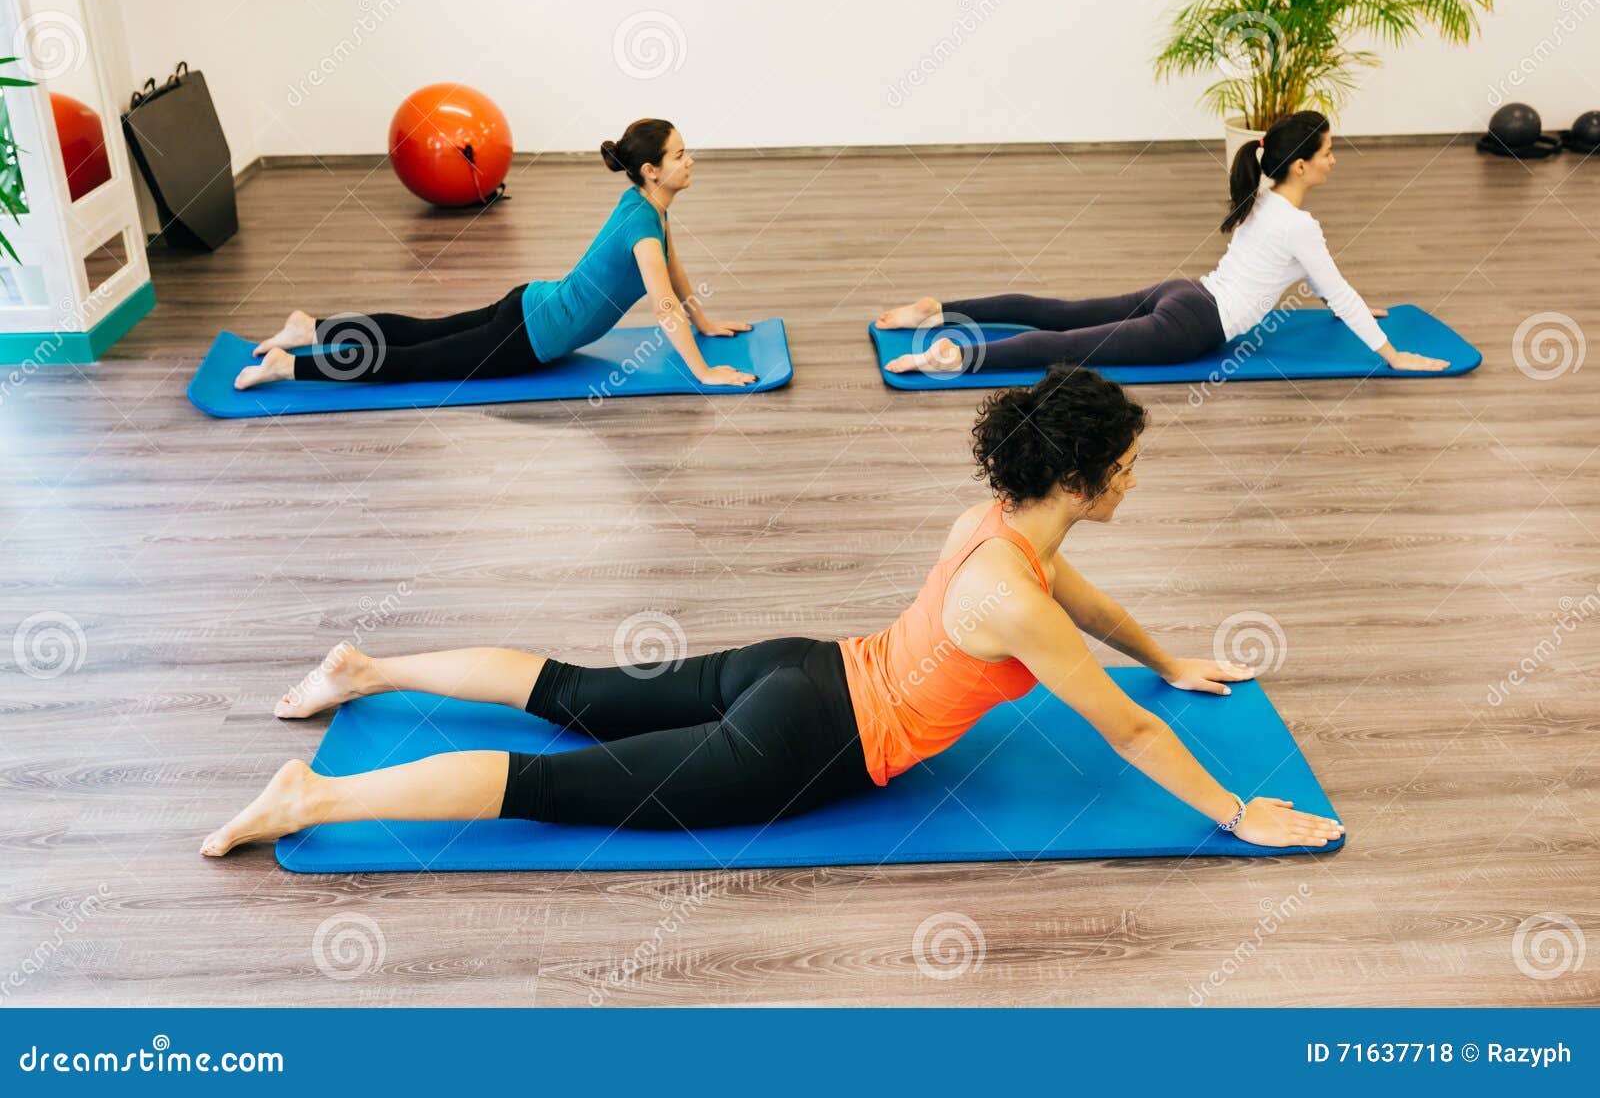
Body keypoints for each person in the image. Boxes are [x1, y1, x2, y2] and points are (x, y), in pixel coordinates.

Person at [201, 367, 1344, 857]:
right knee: (546, 786)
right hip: (806, 742)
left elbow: (1085, 599)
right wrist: (1236, 808)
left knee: (581, 692)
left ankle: (369, 667)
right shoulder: (1010, 593)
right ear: (1084, 480)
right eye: (1130, 467)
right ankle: (315, 796)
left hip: (798, 666)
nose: (1136, 483)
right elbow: (1126, 730)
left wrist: (1167, 653)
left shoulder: (997, 523)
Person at [880, 111, 1449, 375]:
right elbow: (1336, 288)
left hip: (1182, 292)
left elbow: (1331, 287)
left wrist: (1345, 304)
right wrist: (1394, 356)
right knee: (1070, 346)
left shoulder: (1264, 196)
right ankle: (957, 356)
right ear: (1300, 165)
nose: (1333, 159)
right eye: (1327, 151)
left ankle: (938, 311)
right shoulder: (1301, 225)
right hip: (1191, 328)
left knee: (1059, 313)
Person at [234, 118, 755, 390]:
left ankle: (311, 329)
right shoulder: (643, 225)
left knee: (422, 330)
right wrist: (704, 374)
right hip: (527, 336)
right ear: (652, 170)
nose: (691, 161)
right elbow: (662, 303)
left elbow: (672, 263)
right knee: (413, 361)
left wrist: (704, 323)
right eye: (680, 154)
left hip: (529, 302)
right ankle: (288, 366)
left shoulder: (645, 206)